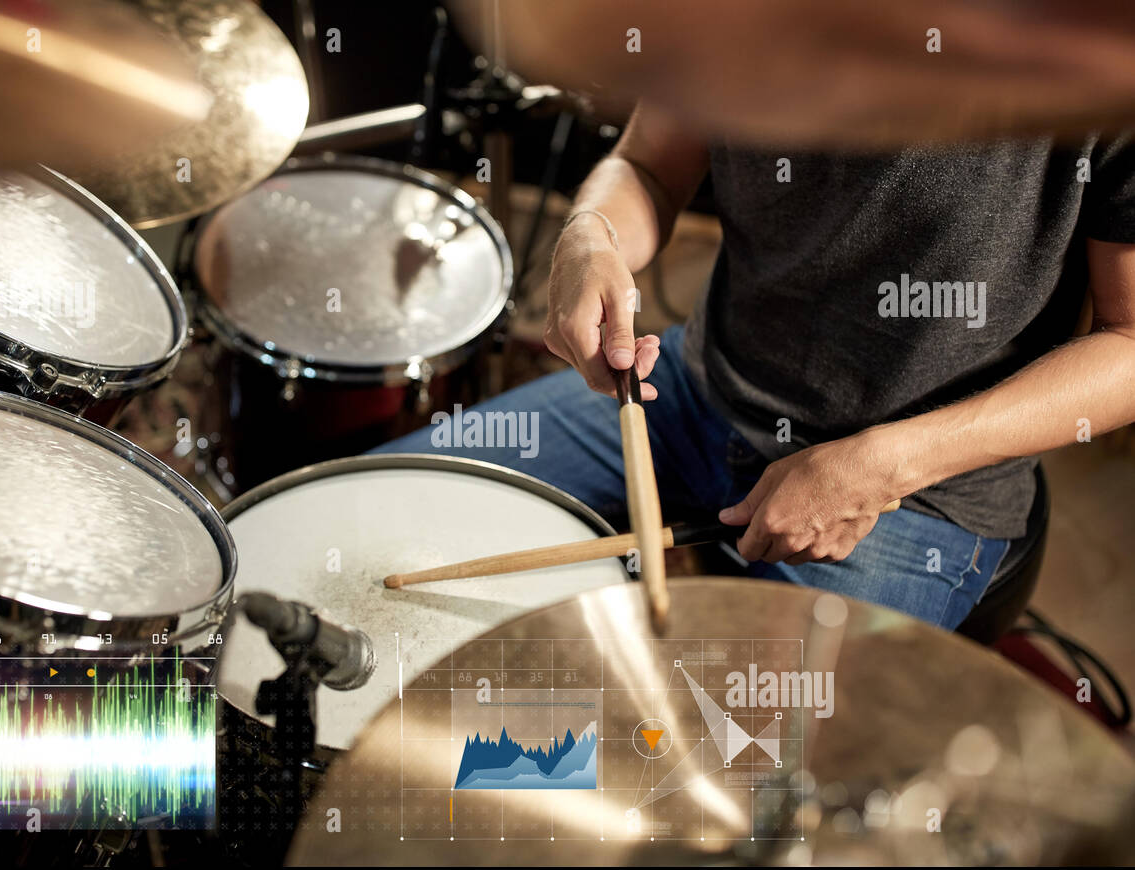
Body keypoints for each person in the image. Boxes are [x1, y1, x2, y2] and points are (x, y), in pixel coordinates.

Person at [375, 103, 1135, 630]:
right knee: (373, 534)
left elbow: (1128, 345)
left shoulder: (1098, 55)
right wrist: (592, 233)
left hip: (921, 491)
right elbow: (648, 163)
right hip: (691, 390)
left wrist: (887, 463)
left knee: (720, 787)